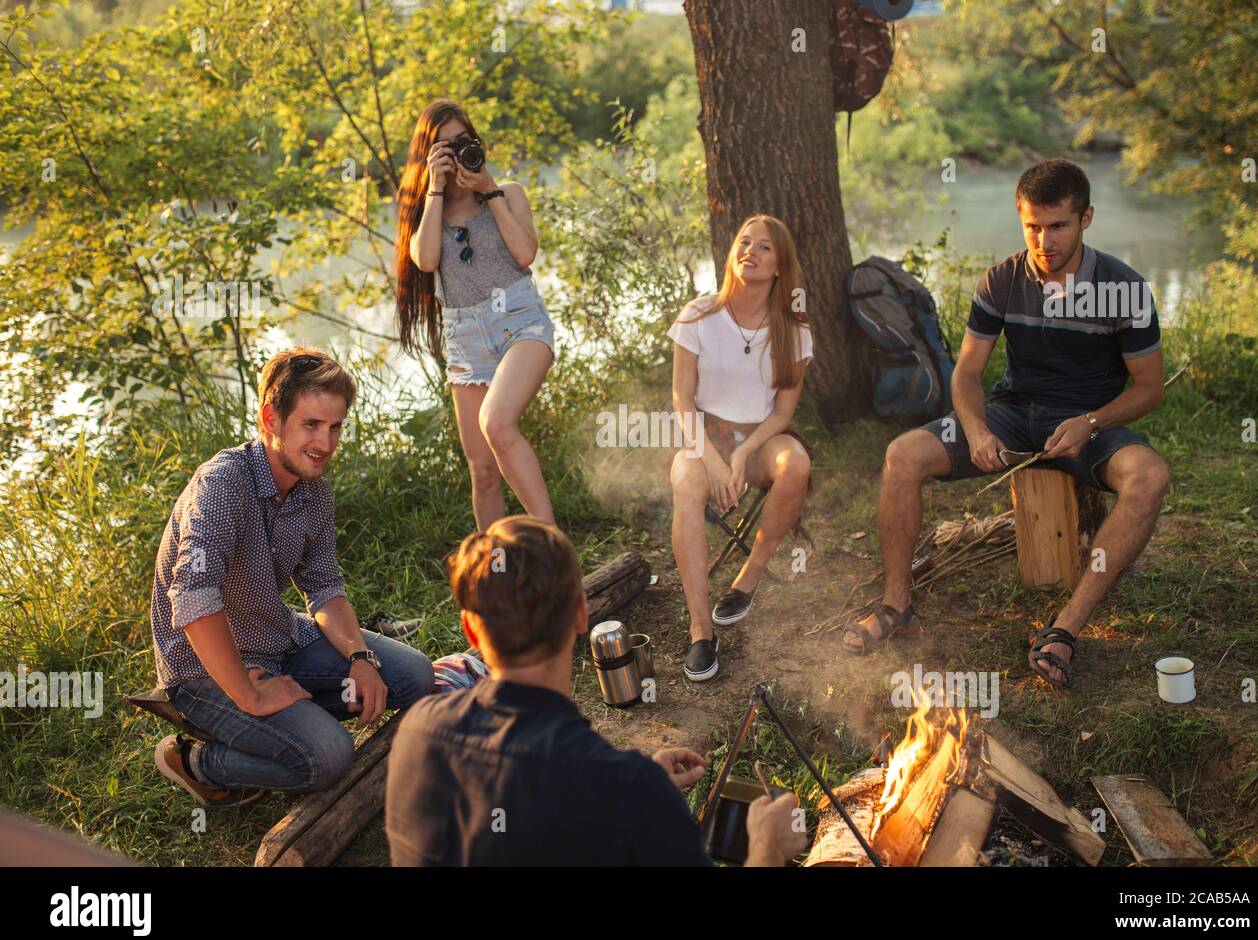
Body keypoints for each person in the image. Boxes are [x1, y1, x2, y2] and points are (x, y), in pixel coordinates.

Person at [843, 158, 1170, 689]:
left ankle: (1065, 628)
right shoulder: (1000, 281)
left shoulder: (1125, 289)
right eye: (1032, 226)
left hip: (1092, 423)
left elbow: (1149, 389)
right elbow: (967, 376)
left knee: (1150, 476)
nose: (1044, 241)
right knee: (902, 455)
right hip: (1014, 413)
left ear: (1086, 217)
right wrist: (976, 430)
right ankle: (897, 606)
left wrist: (1091, 421)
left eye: (1058, 225)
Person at [149, 348, 485, 807]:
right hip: (202, 669)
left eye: (335, 427)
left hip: (279, 636)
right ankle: (198, 761)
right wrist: (250, 694)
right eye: (311, 425)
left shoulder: (313, 491)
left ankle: (291, 718)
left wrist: (361, 658)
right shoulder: (222, 486)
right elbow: (192, 599)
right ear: (271, 419)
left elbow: (325, 588)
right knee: (328, 757)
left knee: (413, 676)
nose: (325, 444)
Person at [385, 516, 808, 866]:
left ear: (469, 631)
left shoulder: (418, 734)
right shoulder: (628, 791)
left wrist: (629, 786)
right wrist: (766, 851)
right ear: (582, 615)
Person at [395, 98, 556, 530]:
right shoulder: (428, 213)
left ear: (477, 143)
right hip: (465, 338)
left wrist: (489, 190)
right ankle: (495, 580)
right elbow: (426, 260)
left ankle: (554, 551)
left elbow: (525, 253)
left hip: (522, 322)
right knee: (482, 470)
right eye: (443, 148)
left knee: (497, 423)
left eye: (463, 142)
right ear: (428, 156)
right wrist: (434, 189)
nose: (456, 153)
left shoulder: (510, 194)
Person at [667, 214, 814, 682]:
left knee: (796, 463)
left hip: (760, 436)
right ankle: (700, 628)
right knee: (688, 482)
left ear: (779, 266)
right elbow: (681, 399)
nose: (750, 251)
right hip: (702, 434)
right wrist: (713, 460)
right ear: (732, 254)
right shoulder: (698, 316)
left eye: (764, 247)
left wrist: (742, 454)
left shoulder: (793, 329)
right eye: (744, 243)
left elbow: (783, 413)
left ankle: (748, 576)